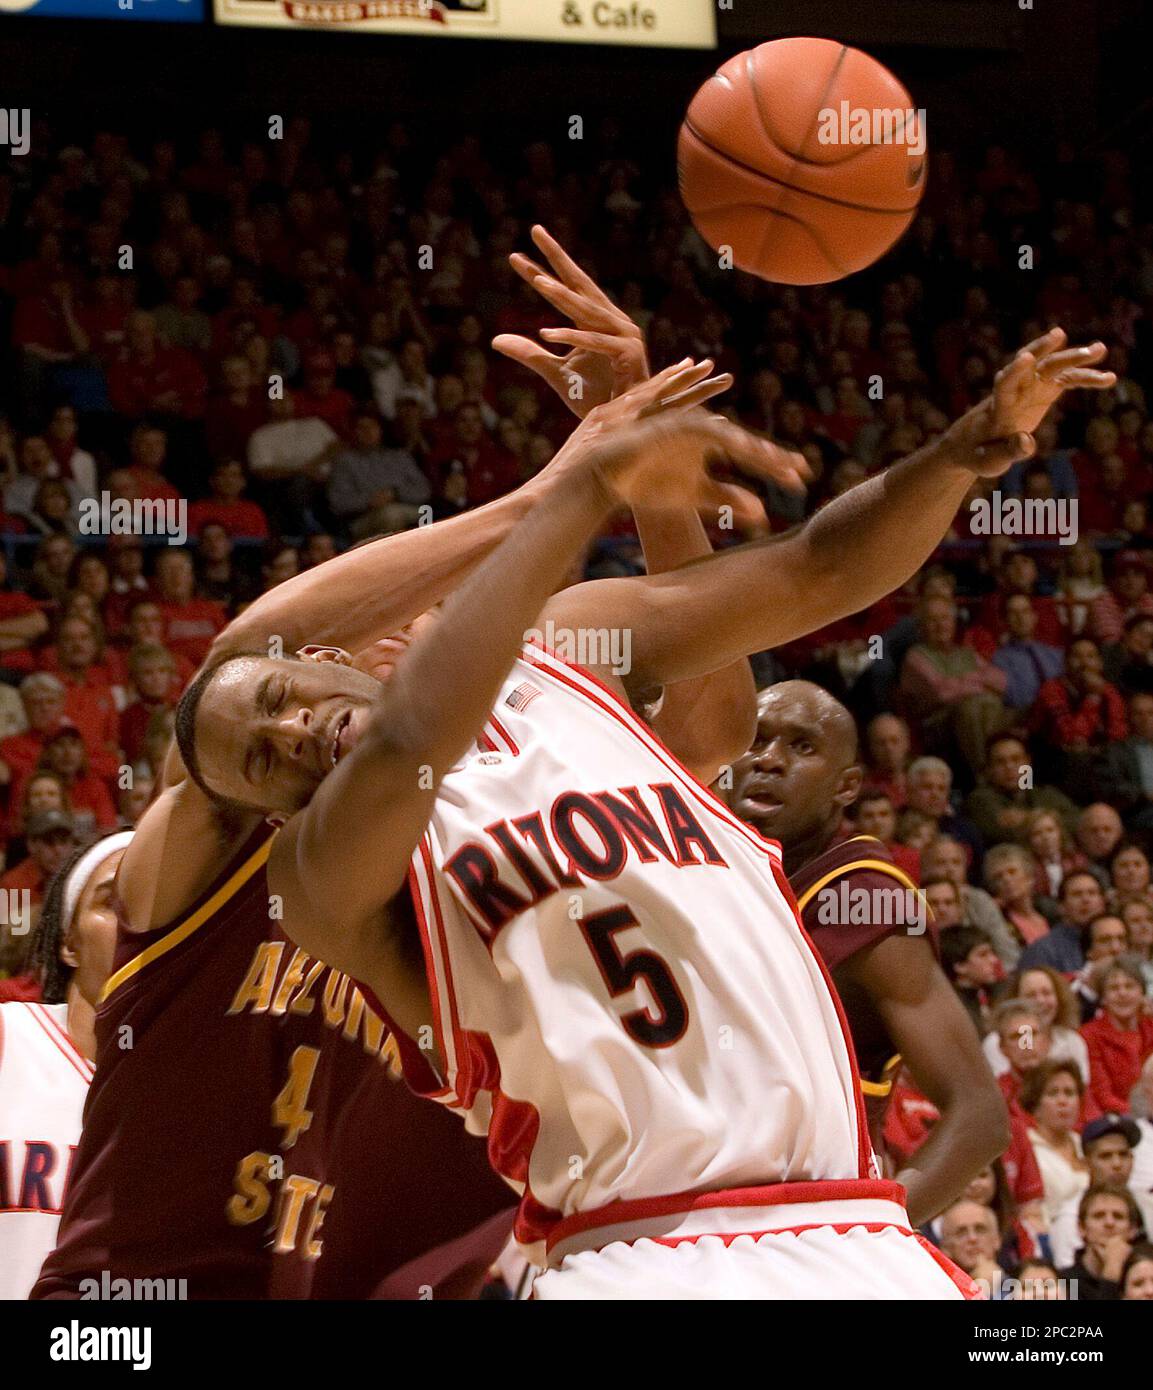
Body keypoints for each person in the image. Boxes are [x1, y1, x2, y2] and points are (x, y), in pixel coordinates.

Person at [172, 324, 1111, 1296]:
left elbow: (814, 571)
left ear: (321, 660)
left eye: (278, 702)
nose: (288, 738)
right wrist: (578, 486)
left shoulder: (559, 650)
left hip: (853, 1221)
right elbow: (410, 738)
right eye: (262, 761)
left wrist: (964, 451)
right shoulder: (322, 872)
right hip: (636, 1248)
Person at [42, 244, 765, 1301]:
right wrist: (563, 484)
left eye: (441, 635)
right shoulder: (231, 809)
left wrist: (656, 479)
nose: (405, 651)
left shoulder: (495, 811)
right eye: (384, 634)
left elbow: (711, 722)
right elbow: (244, 656)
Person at [728, 682, 1007, 1225]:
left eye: (802, 747)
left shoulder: (863, 900)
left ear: (847, 786)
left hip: (805, 1220)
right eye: (755, 739)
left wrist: (878, 1233)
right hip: (691, 1215)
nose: (769, 760)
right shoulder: (709, 865)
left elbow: (980, 1115)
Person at [0, 830, 128, 1297]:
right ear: (69, 943)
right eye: (112, 901)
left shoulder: (193, 1096)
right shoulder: (10, 1035)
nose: (136, 921)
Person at [1049, 1114, 1153, 1266]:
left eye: (1124, 1155)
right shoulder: (1070, 1217)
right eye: (1106, 1156)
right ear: (1086, 1163)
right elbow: (1069, 1282)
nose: (1117, 1164)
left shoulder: (1147, 1204)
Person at [983, 966, 1091, 1083]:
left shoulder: (1073, 1041)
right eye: (1031, 995)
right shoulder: (994, 1042)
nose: (1040, 1001)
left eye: (1046, 993)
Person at [1021, 1060, 1090, 1228]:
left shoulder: (1085, 1144)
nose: (1063, 1101)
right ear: (1035, 1105)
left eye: (1069, 1093)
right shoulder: (1027, 1148)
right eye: (1053, 1093)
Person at [1080, 956, 1153, 1116]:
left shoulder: (1150, 1028)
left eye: (1129, 986)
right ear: (1103, 998)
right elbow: (1103, 1098)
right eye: (1114, 988)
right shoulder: (1089, 1036)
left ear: (1142, 993)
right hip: (1118, 1121)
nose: (1122, 993)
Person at [1058, 1183, 1144, 1300]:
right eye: (1099, 1216)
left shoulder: (1146, 1280)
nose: (1109, 1223)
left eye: (1118, 1216)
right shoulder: (1065, 1283)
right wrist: (1111, 1271)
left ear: (1132, 1230)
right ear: (1081, 1228)